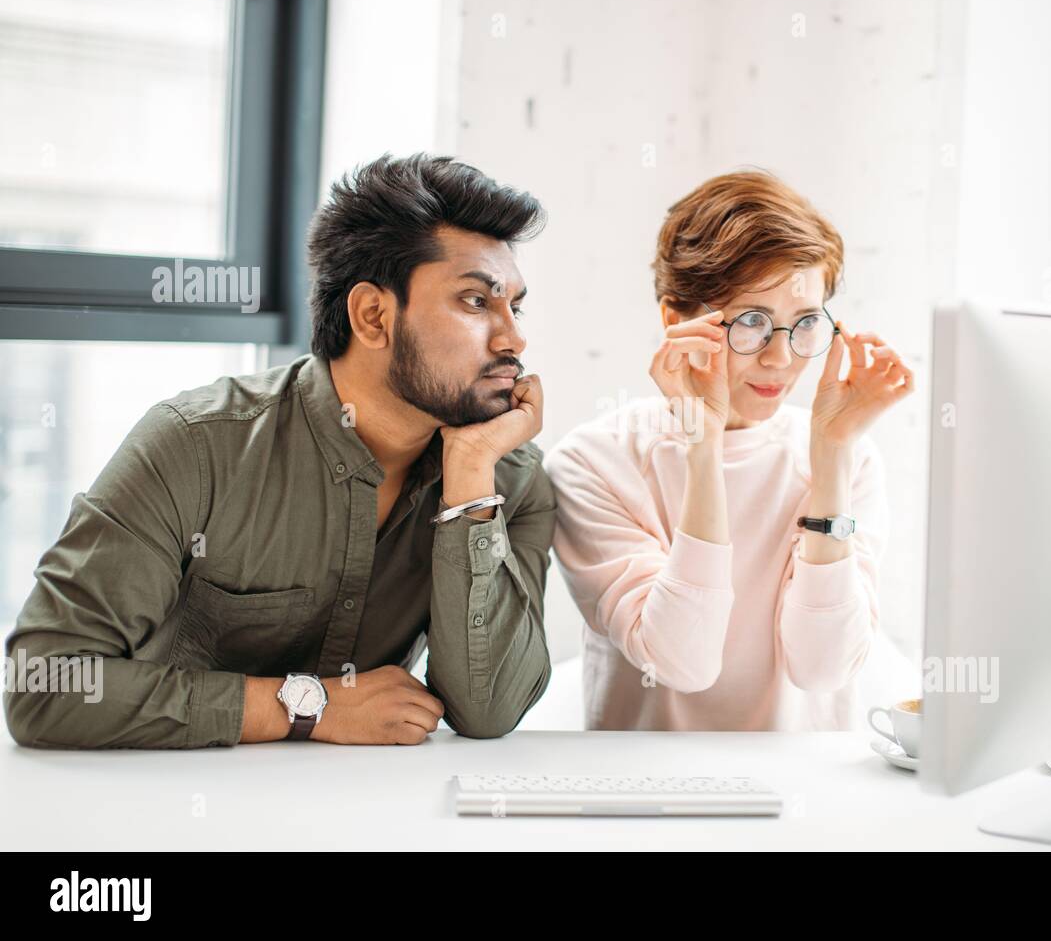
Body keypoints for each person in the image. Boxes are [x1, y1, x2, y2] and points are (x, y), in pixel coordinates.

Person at [4, 153, 555, 748]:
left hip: (369, 801)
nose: (514, 337)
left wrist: (470, 484)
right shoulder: (196, 446)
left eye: (515, 306)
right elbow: (46, 684)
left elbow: (488, 712)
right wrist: (306, 707)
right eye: (476, 302)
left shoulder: (507, 477)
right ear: (373, 316)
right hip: (166, 795)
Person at [546, 170, 914, 730]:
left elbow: (824, 668)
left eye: (804, 324)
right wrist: (703, 448)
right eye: (752, 322)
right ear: (676, 320)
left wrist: (833, 458)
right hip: (643, 775)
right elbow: (682, 663)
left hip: (804, 775)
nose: (780, 359)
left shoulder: (849, 457)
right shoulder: (592, 463)